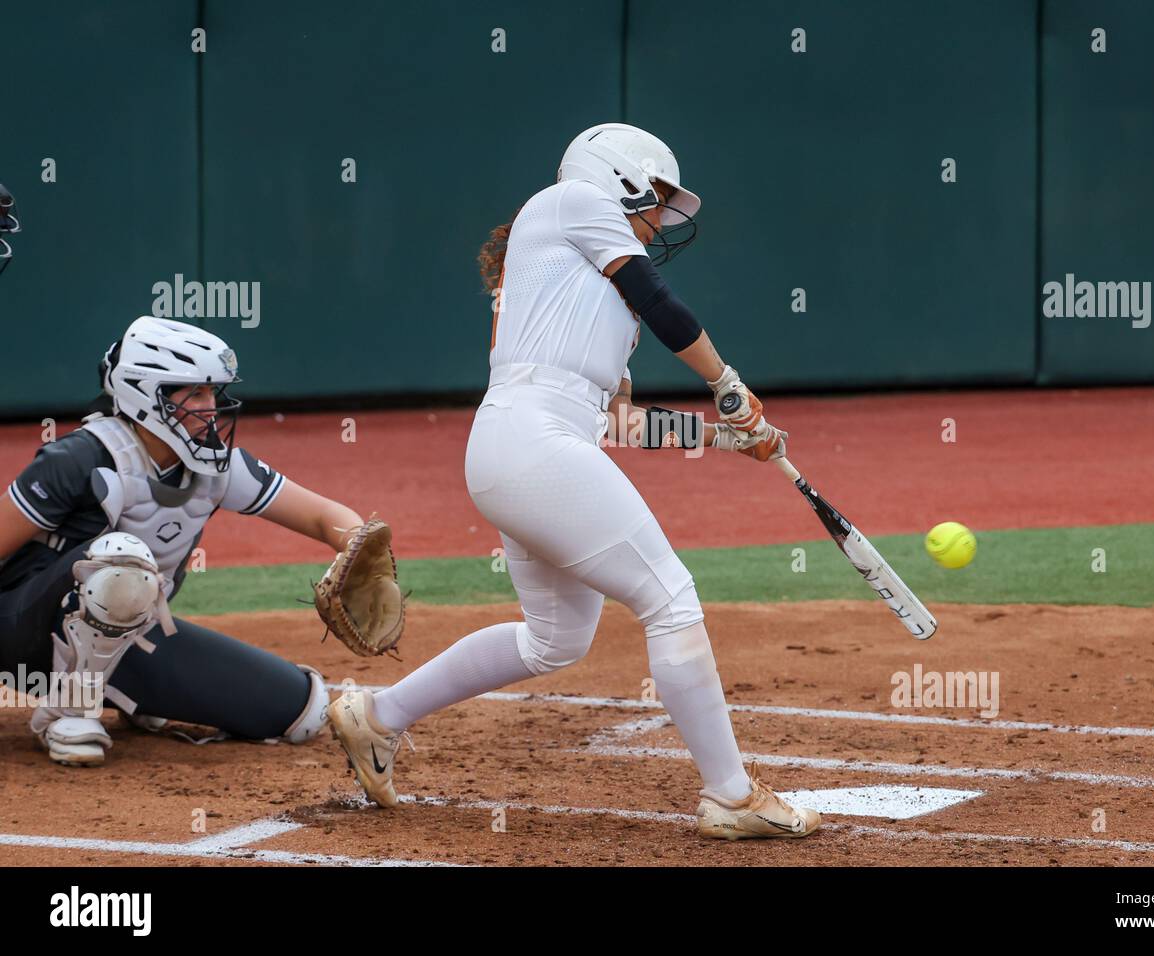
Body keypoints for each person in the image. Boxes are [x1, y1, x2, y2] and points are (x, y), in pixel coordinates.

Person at [328, 123, 820, 840]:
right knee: (672, 598)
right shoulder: (571, 200)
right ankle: (731, 796)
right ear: (616, 177)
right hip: (532, 442)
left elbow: (620, 424)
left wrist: (723, 438)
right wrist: (727, 382)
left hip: (523, 450)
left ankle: (377, 717)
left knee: (555, 640)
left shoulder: (592, 305)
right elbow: (659, 299)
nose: (659, 221)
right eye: (654, 199)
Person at [0, 316, 365, 765]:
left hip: (126, 636)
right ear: (144, 395)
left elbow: (324, 515)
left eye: (214, 392)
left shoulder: (217, 465)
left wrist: (358, 552)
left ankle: (125, 693)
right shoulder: (80, 457)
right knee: (122, 558)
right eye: (195, 393)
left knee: (300, 710)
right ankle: (69, 712)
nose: (211, 407)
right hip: (18, 633)